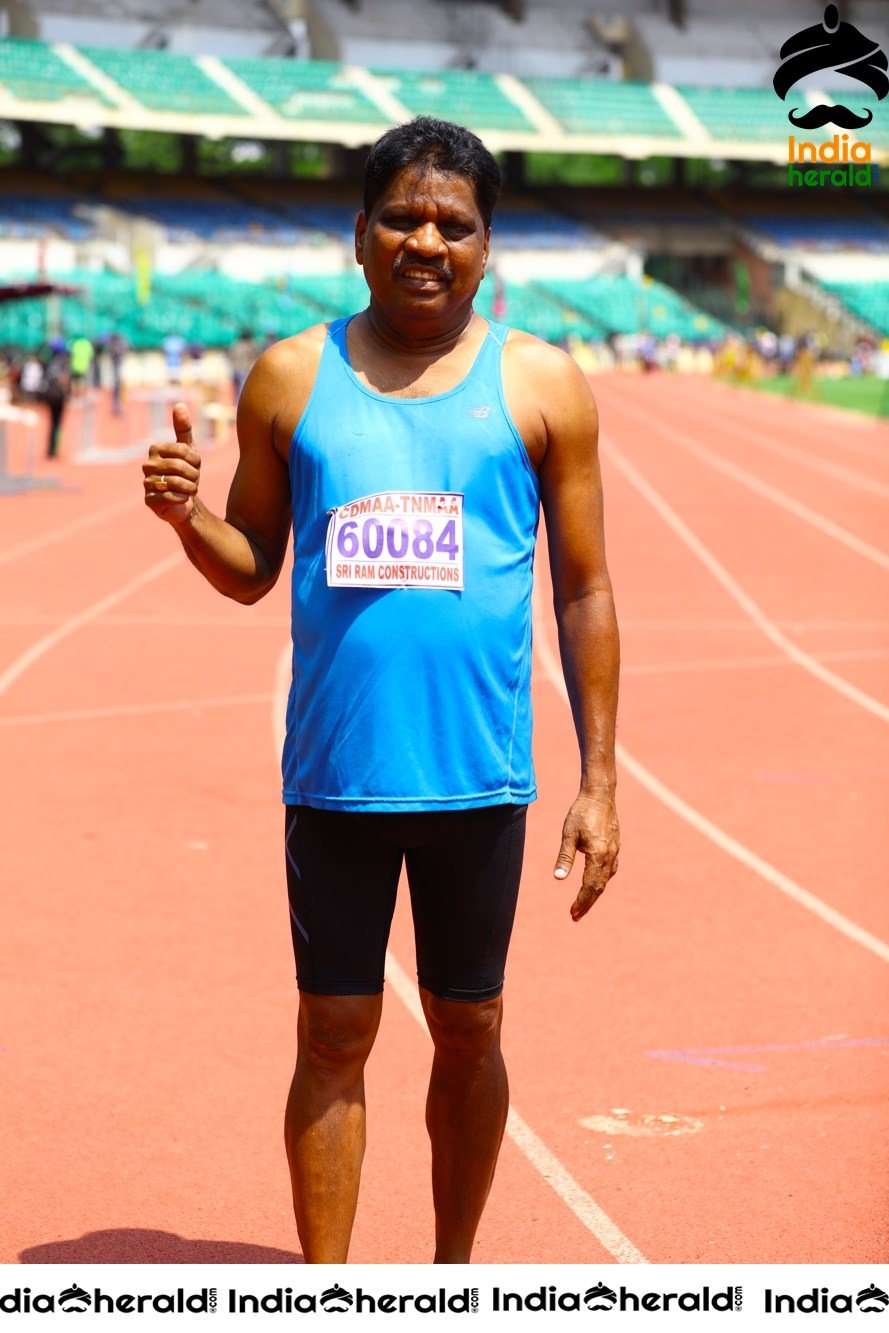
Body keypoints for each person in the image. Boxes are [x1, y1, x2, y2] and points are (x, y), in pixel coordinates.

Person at [142, 116, 620, 1264]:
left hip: (478, 776)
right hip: (338, 774)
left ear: (486, 248)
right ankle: (329, 1292)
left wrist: (600, 779)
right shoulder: (293, 375)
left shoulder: (545, 384)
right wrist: (186, 519)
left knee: (471, 1026)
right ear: (358, 235)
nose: (425, 239)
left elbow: (587, 589)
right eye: (401, 216)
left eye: (453, 223)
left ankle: (449, 1280)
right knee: (333, 1033)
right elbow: (253, 567)